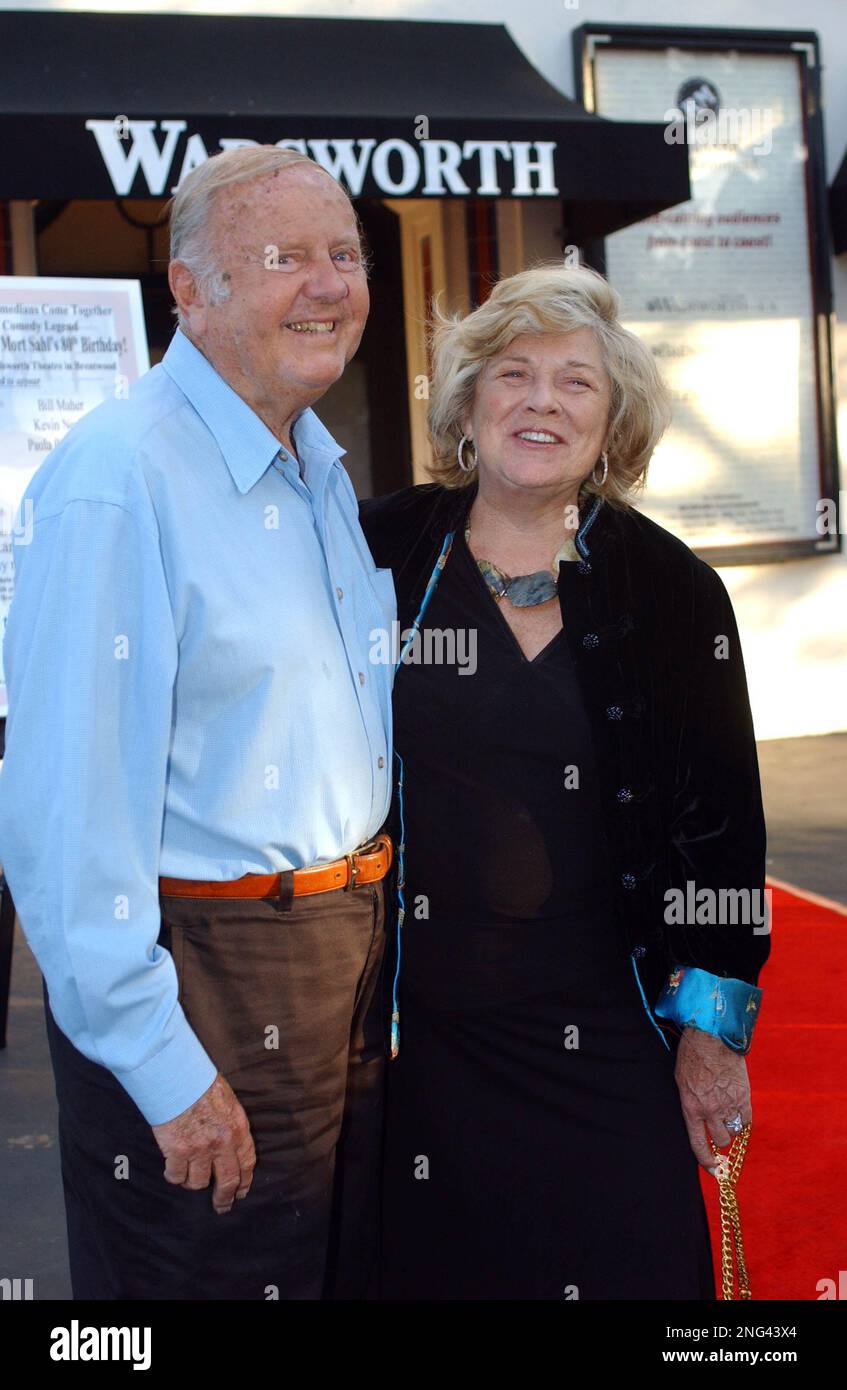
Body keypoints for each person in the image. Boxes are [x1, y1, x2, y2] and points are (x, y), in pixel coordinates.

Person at [0, 146, 397, 1300]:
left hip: (343, 967)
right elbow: (67, 820)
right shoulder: (117, 479)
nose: (329, 284)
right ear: (187, 289)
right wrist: (164, 1067)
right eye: (287, 257)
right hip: (207, 979)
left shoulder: (317, 468)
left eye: (345, 254)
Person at [359, 263, 770, 1300]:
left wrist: (711, 1038)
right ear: (467, 404)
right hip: (417, 1038)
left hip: (606, 1029)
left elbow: (721, 833)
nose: (540, 399)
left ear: (612, 422)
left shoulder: (672, 588)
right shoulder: (381, 549)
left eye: (575, 382)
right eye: (512, 372)